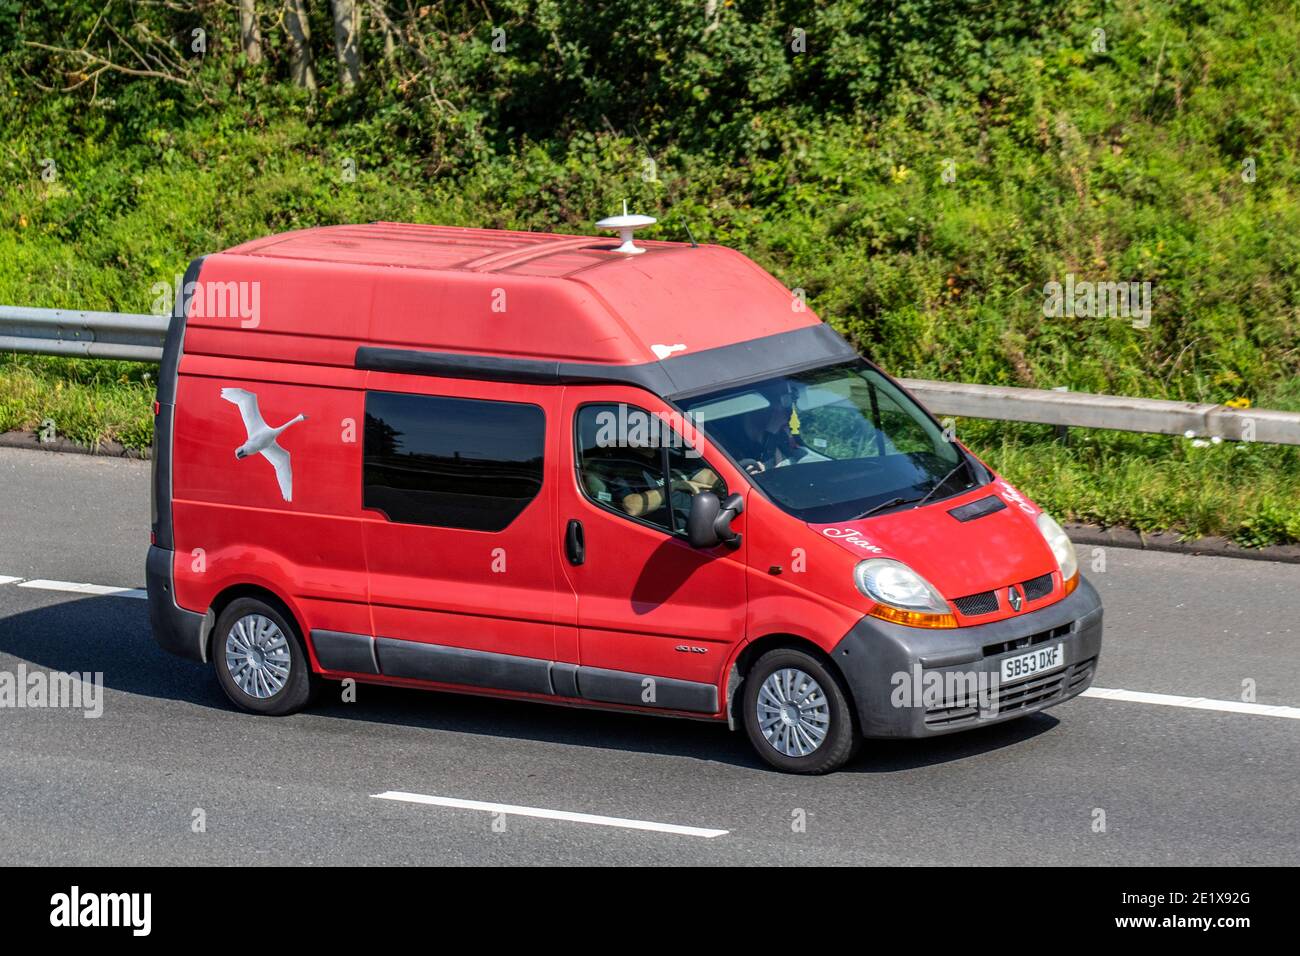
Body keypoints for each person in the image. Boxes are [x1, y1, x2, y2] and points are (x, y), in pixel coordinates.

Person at [737, 379, 807, 474]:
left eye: (786, 399)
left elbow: (800, 456)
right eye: (778, 400)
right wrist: (772, 430)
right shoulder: (742, 442)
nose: (781, 408)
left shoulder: (782, 434)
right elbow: (763, 464)